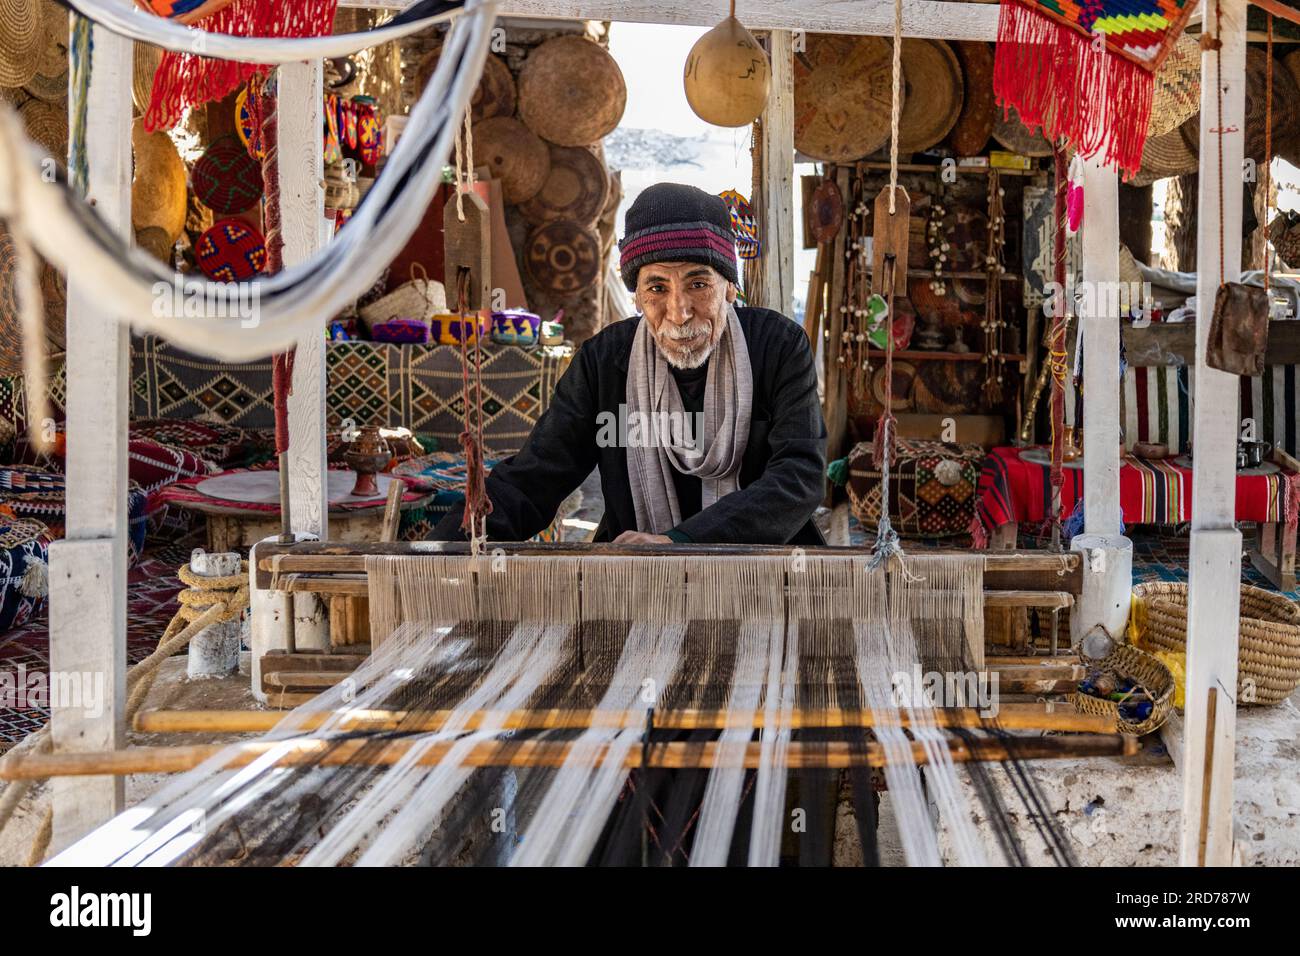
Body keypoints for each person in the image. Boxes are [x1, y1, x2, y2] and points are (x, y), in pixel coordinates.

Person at [432, 181, 827, 545]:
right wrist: (441, 548)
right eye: (657, 287)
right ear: (636, 297)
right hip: (634, 574)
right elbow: (535, 477)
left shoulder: (777, 347)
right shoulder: (604, 362)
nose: (679, 311)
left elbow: (798, 477)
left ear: (729, 289)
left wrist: (681, 543)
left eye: (699, 284)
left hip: (762, 573)